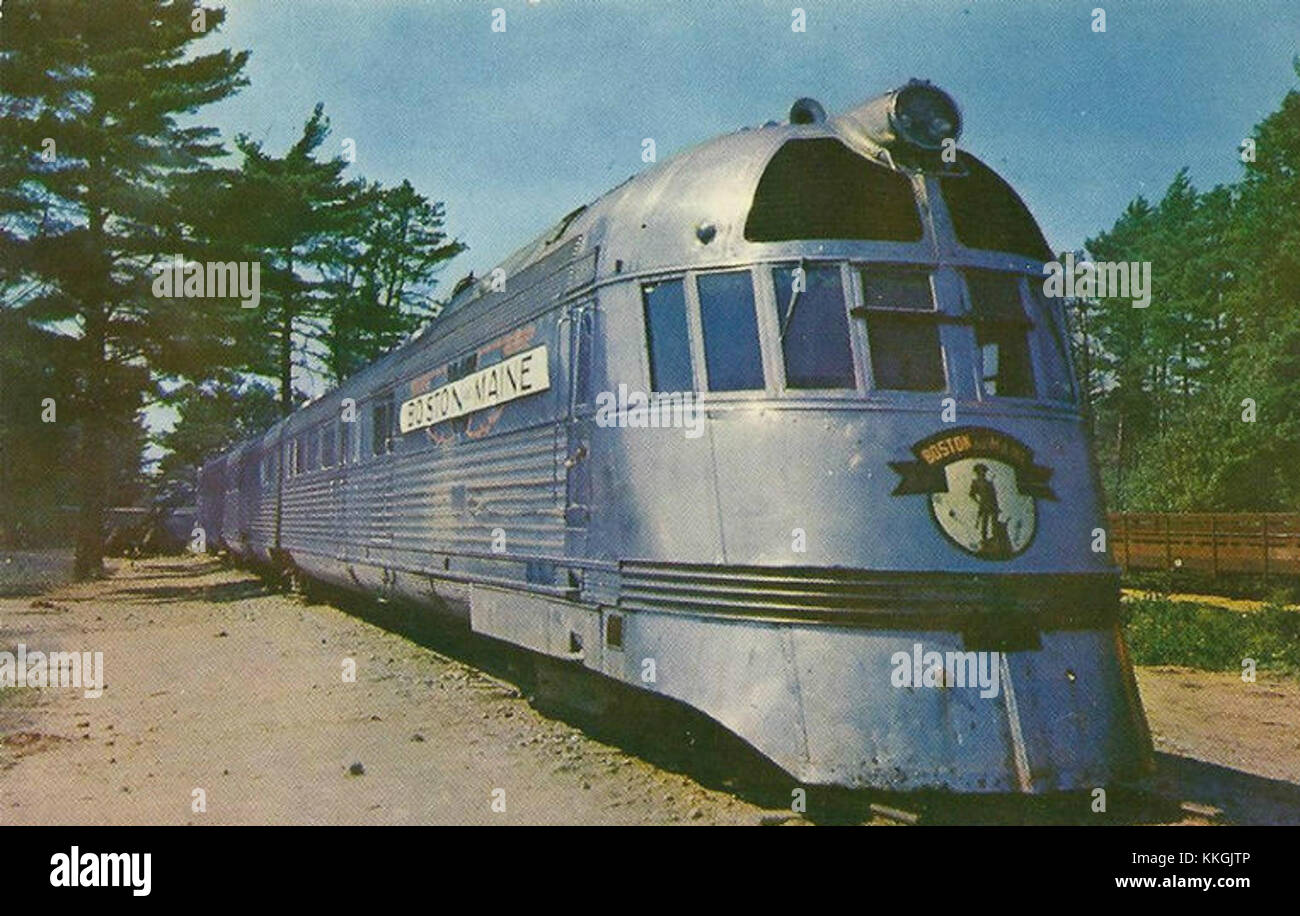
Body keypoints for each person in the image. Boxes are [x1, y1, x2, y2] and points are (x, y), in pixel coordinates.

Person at [968, 463, 1000, 544]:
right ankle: (984, 538)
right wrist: (979, 502)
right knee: (984, 521)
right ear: (977, 472)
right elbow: (971, 494)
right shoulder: (975, 482)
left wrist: (997, 506)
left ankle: (995, 537)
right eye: (981, 470)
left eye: (984, 471)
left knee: (994, 522)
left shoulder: (989, 483)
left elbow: (994, 495)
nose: (983, 472)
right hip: (984, 503)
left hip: (993, 504)